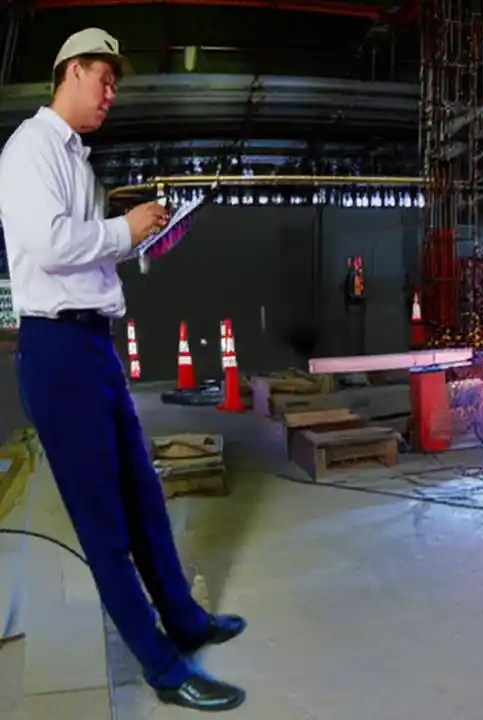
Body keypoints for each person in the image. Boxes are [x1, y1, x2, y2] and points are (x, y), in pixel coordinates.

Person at [0, 29, 247, 710]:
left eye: (115, 85)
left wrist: (147, 240)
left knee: (143, 497)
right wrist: (123, 230)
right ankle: (164, 670)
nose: (111, 95)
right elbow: (49, 246)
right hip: (57, 353)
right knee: (105, 525)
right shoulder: (29, 150)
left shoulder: (78, 164)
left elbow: (91, 253)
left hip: (93, 348)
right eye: (104, 80)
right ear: (70, 71)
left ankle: (186, 621)